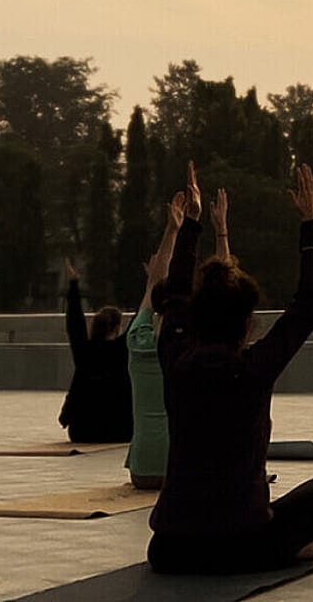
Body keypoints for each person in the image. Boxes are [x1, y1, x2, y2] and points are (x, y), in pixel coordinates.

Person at [148, 163, 313, 574]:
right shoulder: (252, 369)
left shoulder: (177, 362)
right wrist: (311, 224)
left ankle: (268, 548)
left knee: (190, 540)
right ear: (246, 324)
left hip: (171, 546)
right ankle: (285, 549)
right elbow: (308, 305)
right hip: (240, 536)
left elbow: (176, 298)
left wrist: (191, 226)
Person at [123, 191, 184, 489]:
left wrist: (171, 231)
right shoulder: (183, 351)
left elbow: (153, 285)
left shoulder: (137, 340)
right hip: (178, 469)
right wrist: (221, 232)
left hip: (142, 472)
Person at [59, 258, 132, 444]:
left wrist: (73, 284)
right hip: (120, 429)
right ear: (117, 328)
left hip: (83, 430)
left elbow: (74, 323)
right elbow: (140, 321)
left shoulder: (85, 352)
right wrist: (152, 283)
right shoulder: (122, 349)